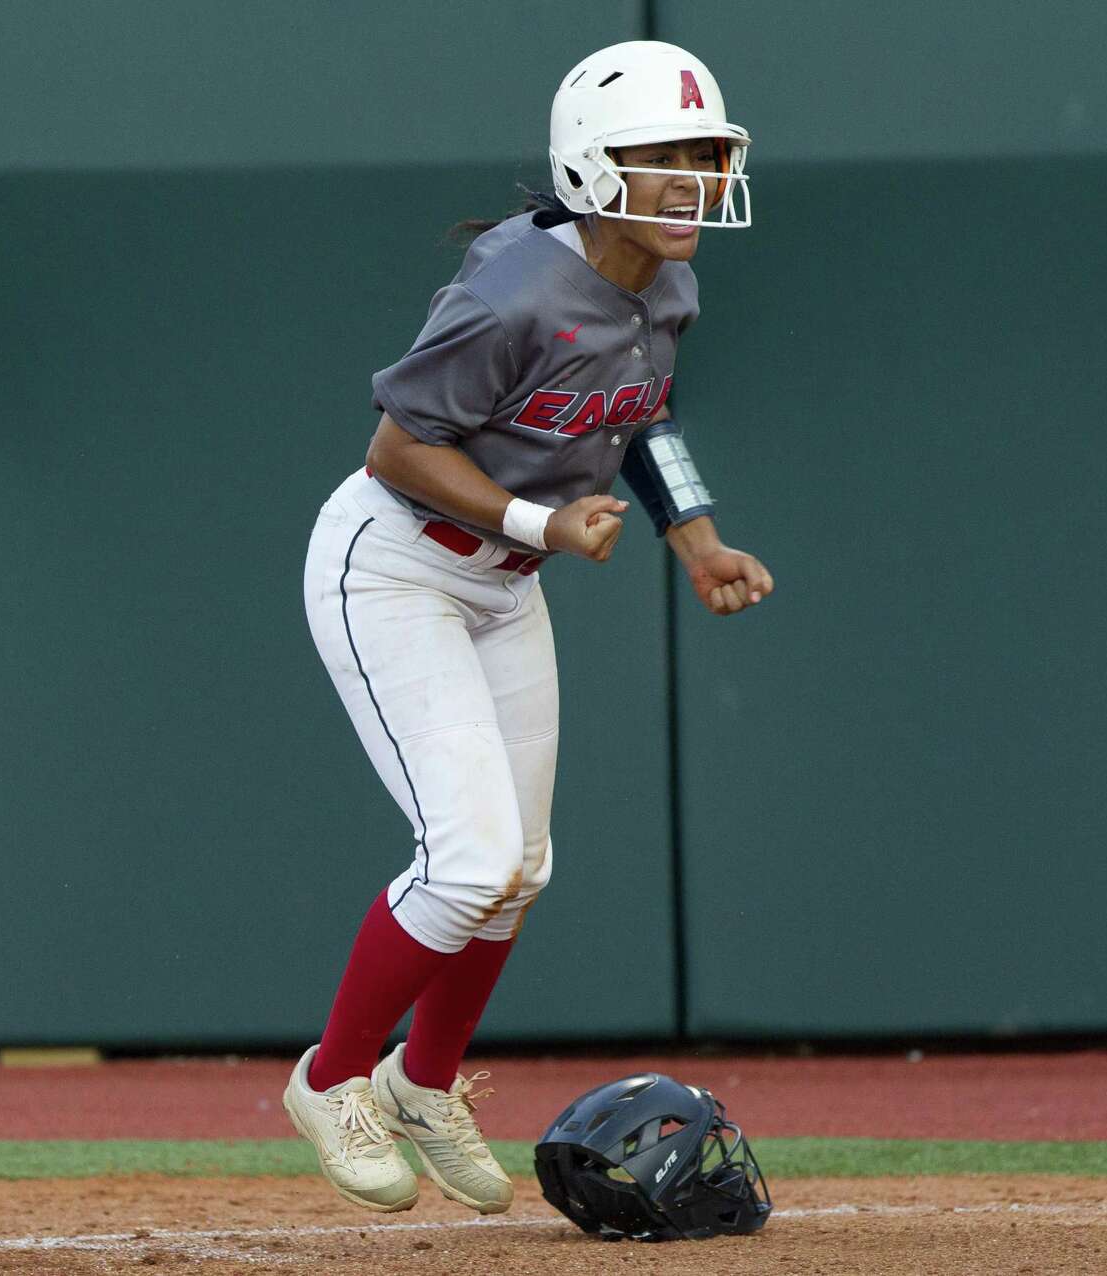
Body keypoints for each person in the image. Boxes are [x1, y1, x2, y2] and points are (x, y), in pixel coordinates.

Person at [283, 39, 773, 1216]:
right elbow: (395, 447)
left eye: (707, 155)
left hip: (503, 575)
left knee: (521, 872)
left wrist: (694, 536)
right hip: (395, 566)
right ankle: (331, 1077)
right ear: (596, 166)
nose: (696, 180)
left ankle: (424, 1081)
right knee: (467, 863)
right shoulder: (512, 291)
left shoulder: (669, 280)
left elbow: (641, 413)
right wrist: (540, 522)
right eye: (667, 158)